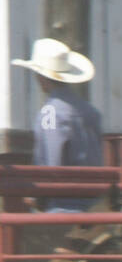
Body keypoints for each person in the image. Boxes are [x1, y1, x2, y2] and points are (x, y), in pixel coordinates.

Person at [11, 38, 103, 212]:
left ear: (41, 77)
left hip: (62, 205)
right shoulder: (90, 111)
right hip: (93, 202)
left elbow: (51, 162)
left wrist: (37, 196)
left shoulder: (50, 112)